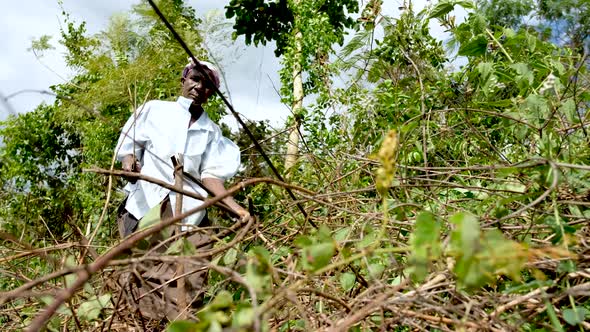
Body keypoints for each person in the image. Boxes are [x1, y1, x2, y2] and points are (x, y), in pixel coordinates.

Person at [114, 58, 249, 321]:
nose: (199, 86)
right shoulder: (153, 111)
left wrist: (237, 209)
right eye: (195, 79)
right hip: (145, 208)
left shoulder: (212, 132)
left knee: (186, 284)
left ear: (212, 93)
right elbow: (128, 151)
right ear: (184, 80)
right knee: (139, 280)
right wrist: (130, 165)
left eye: (207, 84)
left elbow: (211, 179)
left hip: (188, 216)